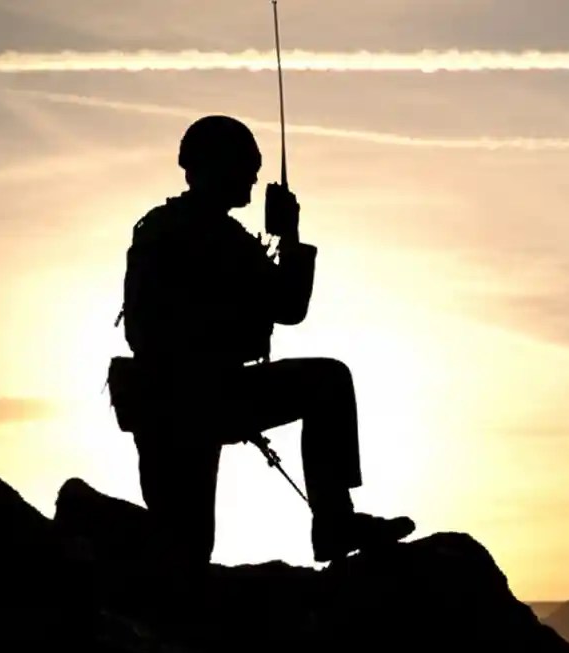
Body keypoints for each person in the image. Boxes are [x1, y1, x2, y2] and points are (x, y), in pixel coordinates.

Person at [118, 115, 415, 569]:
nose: (254, 179)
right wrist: (290, 236)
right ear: (217, 168)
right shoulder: (209, 235)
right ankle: (334, 522)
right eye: (245, 168)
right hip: (193, 399)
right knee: (185, 546)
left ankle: (335, 521)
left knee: (186, 545)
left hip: (176, 400)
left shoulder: (169, 227)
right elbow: (289, 307)